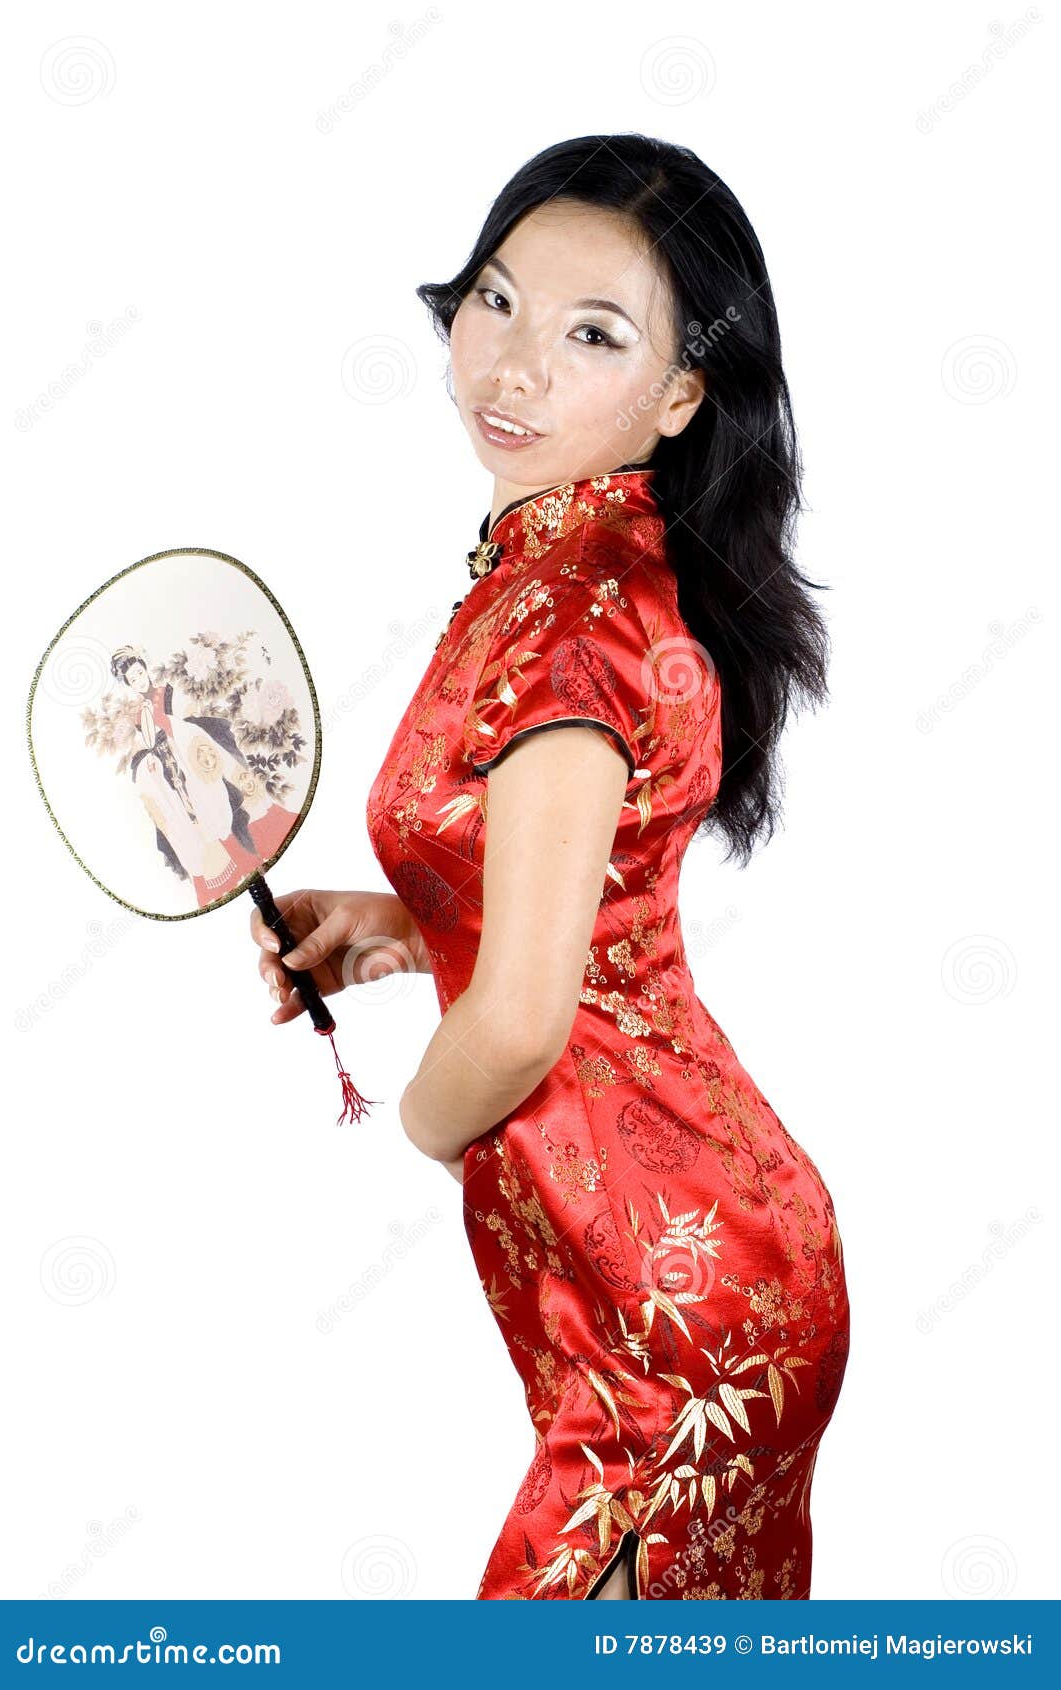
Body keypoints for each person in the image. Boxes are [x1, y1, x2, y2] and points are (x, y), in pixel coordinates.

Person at [250, 133, 850, 1601]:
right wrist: (416, 921)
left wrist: (423, 1126)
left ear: (681, 393)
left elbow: (520, 1024)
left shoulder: (570, 621)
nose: (511, 365)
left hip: (665, 1320)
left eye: (591, 334)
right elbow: (601, 900)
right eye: (498, 302)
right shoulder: (576, 567)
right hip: (702, 1265)